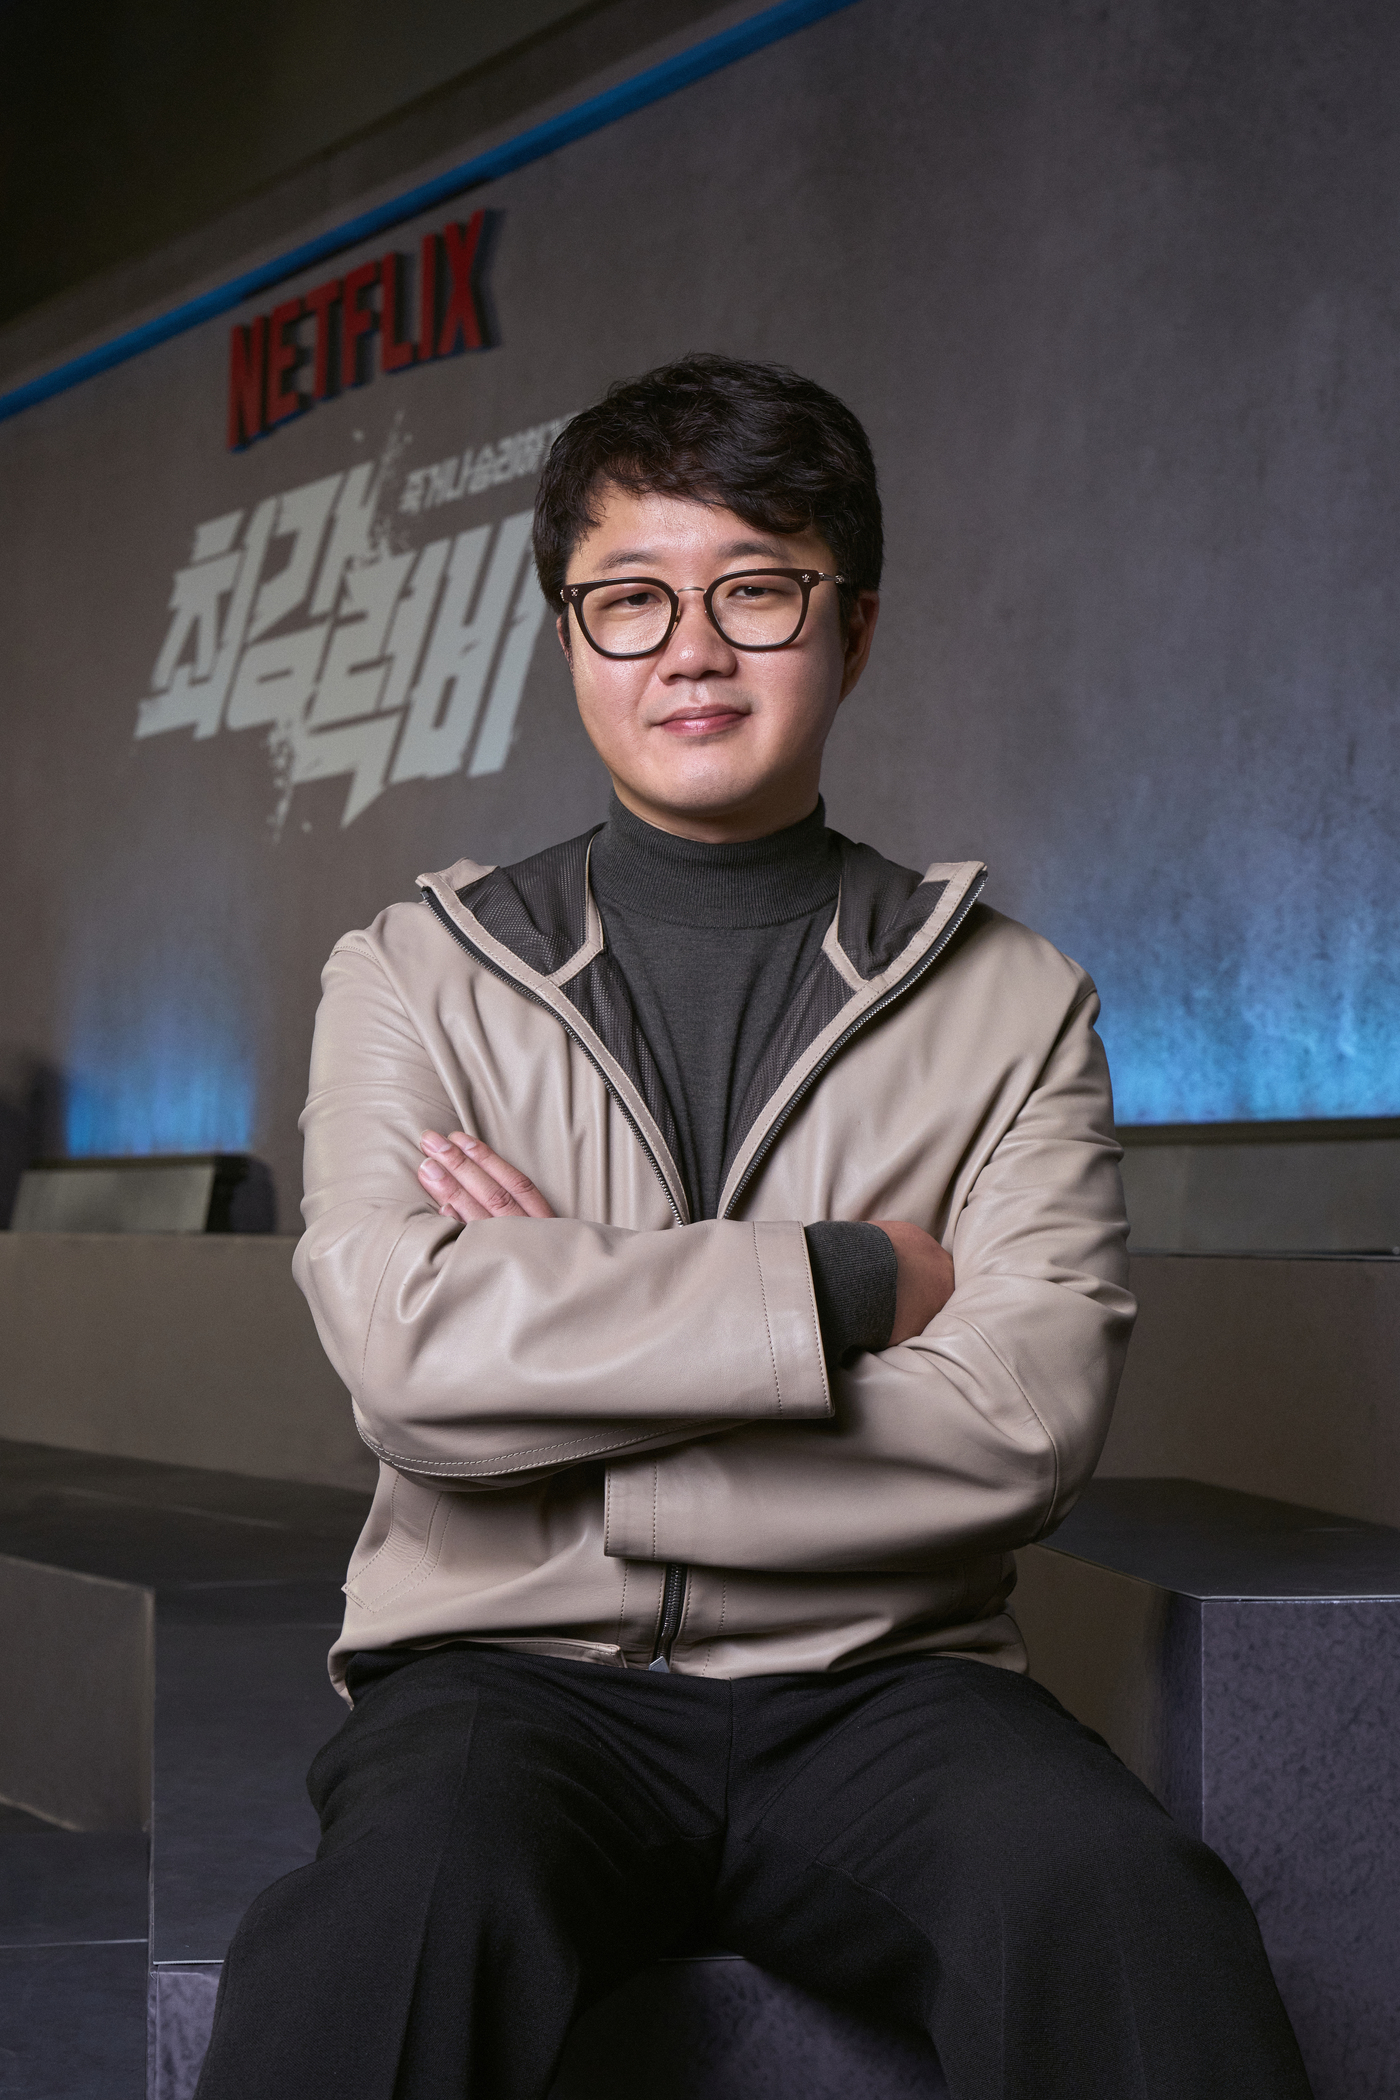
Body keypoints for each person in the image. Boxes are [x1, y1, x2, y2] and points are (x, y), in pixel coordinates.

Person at [195, 354, 1310, 2100]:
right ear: (570, 638)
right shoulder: (413, 973)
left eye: (757, 590)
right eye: (630, 599)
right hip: (508, 1677)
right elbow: (409, 1359)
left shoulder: (1014, 1002)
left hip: (889, 1682)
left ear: (852, 629)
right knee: (385, 1930)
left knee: (1122, 1906)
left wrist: (569, 1390)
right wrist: (846, 1282)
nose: (691, 650)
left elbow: (1021, 1423)